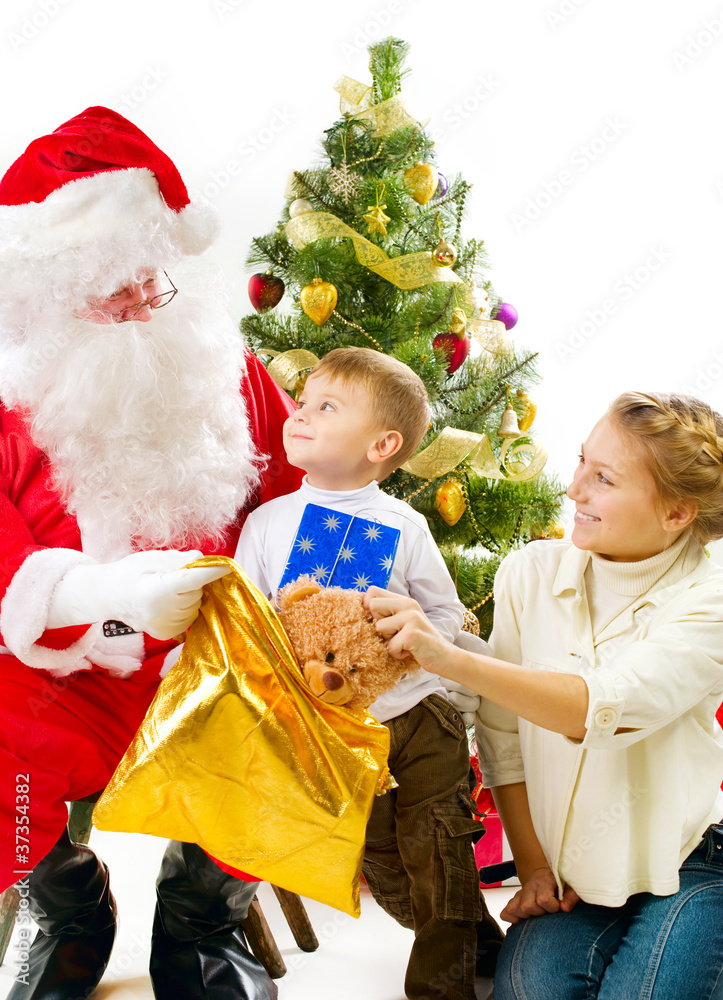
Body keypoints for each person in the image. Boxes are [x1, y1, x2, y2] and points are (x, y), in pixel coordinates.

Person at [0, 107, 303, 1000]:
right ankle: (65, 900)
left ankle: (203, 916)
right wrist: (78, 592)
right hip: (68, 665)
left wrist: (287, 609)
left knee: (305, 709)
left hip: (218, 650)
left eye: (152, 283)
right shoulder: (12, 388)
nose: (141, 309)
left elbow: (301, 497)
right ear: (52, 297)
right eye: (112, 294)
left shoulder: (223, 364)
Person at [363, 390, 723, 1000]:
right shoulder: (530, 573)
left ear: (677, 513)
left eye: (604, 478)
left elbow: (602, 706)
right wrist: (533, 868)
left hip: (686, 859)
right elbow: (503, 737)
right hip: (573, 874)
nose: (575, 488)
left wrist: (448, 657)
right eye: (583, 460)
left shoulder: (709, 597)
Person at [235, 345, 504, 1000]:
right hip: (342, 736)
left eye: (326, 407)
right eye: (302, 403)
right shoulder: (267, 525)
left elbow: (446, 620)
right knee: (385, 867)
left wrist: (416, 622)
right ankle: (486, 945)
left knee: (438, 852)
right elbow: (243, 623)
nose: (299, 415)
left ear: (382, 444)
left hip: (420, 720)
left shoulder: (403, 525)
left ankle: (442, 989)